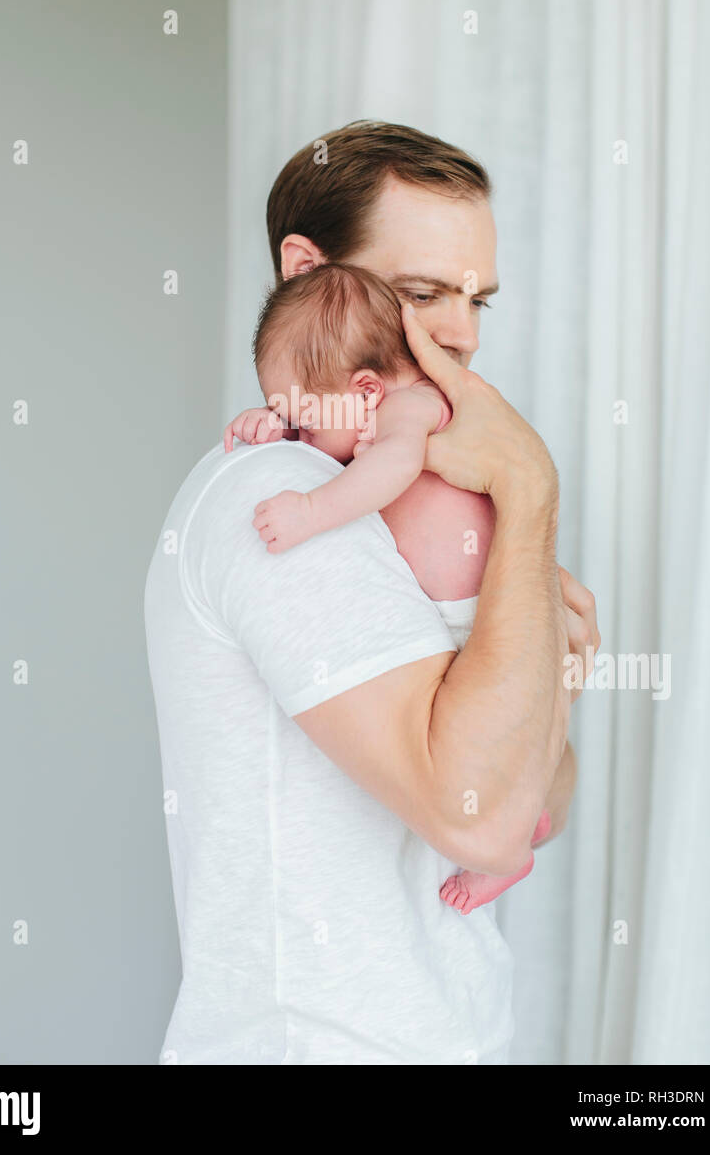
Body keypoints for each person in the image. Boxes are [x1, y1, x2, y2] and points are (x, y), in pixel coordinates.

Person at [144, 120, 598, 1065]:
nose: (463, 334)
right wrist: (532, 490)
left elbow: (537, 794)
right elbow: (486, 816)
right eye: (423, 292)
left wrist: (552, 670)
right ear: (307, 271)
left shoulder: (404, 488)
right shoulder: (277, 495)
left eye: (477, 301)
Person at [224, 261, 554, 917]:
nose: (300, 441)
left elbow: (395, 465)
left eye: (302, 425)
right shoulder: (365, 407)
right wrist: (273, 426)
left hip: (472, 618)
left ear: (367, 389)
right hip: (462, 613)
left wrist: (311, 511)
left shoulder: (412, 407)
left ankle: (513, 847)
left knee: (489, 749)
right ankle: (533, 814)